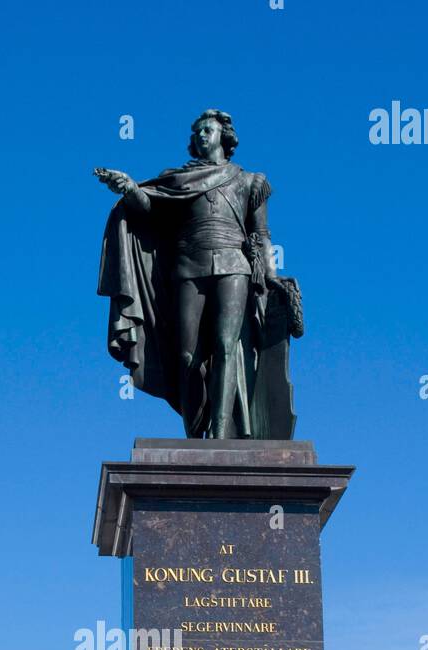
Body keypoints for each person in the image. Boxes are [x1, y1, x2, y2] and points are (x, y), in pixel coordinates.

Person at [96, 109, 304, 440]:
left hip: (233, 266)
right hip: (187, 269)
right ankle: (195, 437)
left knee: (225, 346)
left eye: (207, 130)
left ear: (225, 136)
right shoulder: (178, 180)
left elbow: (261, 234)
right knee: (186, 354)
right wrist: (130, 188)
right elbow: (149, 210)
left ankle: (220, 434)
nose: (201, 136)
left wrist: (272, 274)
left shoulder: (249, 182)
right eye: (197, 132)